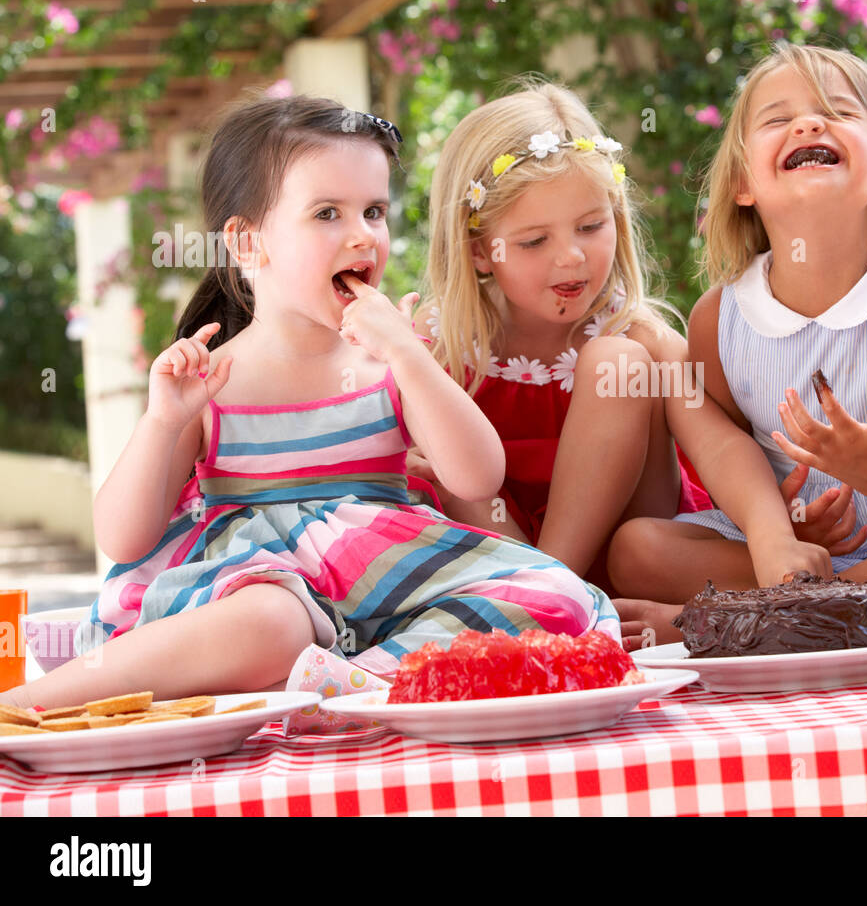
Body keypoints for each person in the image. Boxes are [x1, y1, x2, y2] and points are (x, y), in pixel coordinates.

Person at [0, 94, 616, 711]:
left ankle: (350, 684)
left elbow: (478, 476)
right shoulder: (212, 378)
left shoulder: (389, 357)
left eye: (374, 212)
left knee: (555, 598)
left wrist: (408, 355)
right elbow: (123, 538)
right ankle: (32, 703)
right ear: (246, 244)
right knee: (273, 623)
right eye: (327, 213)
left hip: (384, 583)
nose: (362, 236)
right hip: (252, 590)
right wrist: (164, 422)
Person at [611, 42, 867, 644]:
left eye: (837, 111)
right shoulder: (719, 318)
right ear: (741, 183)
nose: (809, 123)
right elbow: (731, 461)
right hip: (791, 551)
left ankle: (748, 622)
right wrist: (784, 531)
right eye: (778, 119)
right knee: (637, 549)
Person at [414, 81, 710, 591]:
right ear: (480, 251)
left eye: (591, 227)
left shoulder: (645, 338)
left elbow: (722, 451)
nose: (571, 257)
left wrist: (777, 516)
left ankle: (555, 592)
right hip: (499, 556)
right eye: (534, 240)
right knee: (431, 428)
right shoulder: (441, 343)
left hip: (626, 565)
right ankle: (543, 593)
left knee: (618, 361)